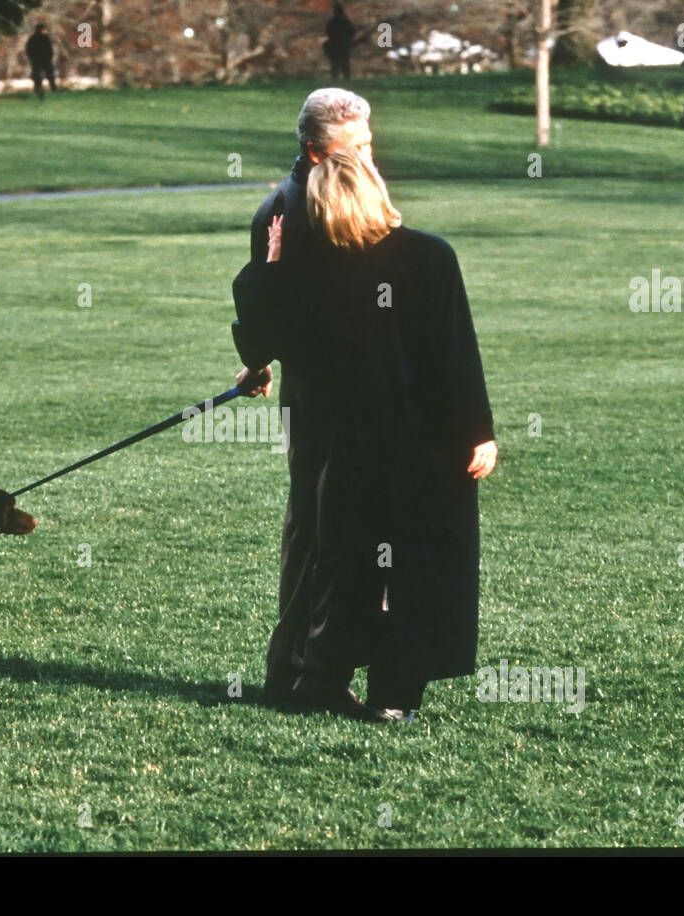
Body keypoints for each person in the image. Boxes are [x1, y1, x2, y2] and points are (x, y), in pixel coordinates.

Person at [231, 148, 497, 722]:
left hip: (359, 447)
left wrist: (269, 272)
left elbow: (263, 345)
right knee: (407, 571)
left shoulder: (330, 270)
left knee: (351, 568)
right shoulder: (427, 255)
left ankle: (336, 681)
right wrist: (478, 432)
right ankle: (389, 692)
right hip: (421, 446)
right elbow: (457, 355)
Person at [234, 89, 376, 709]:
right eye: (356, 147)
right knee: (322, 531)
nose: (369, 157)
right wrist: (260, 356)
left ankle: (301, 670)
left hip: (335, 388)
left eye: (370, 142)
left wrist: (257, 358)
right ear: (317, 151)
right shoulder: (293, 209)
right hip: (328, 394)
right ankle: (303, 675)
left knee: (322, 529)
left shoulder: (306, 197)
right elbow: (273, 301)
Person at [324, 3, 357, 81]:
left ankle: (335, 78)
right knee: (344, 63)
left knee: (335, 63)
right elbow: (352, 31)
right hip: (344, 44)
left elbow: (328, 31)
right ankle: (346, 78)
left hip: (335, 44)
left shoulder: (332, 21)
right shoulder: (345, 21)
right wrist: (347, 39)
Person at [26, 24, 56, 101]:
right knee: (43, 75)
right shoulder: (39, 38)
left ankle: (47, 87)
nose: (45, 31)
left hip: (41, 60)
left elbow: (49, 49)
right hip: (40, 60)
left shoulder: (38, 38)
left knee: (44, 74)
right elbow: (29, 50)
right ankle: (43, 88)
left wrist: (32, 58)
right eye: (44, 29)